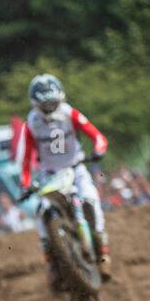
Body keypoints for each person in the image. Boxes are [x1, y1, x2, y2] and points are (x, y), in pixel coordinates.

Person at [17, 74, 111, 283]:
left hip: (75, 168)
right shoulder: (31, 124)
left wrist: (98, 150)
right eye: (46, 104)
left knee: (91, 199)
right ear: (36, 104)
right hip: (50, 175)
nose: (50, 108)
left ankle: (104, 252)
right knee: (42, 211)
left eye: (53, 103)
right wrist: (25, 185)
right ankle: (50, 260)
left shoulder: (71, 113)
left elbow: (97, 135)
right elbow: (25, 159)